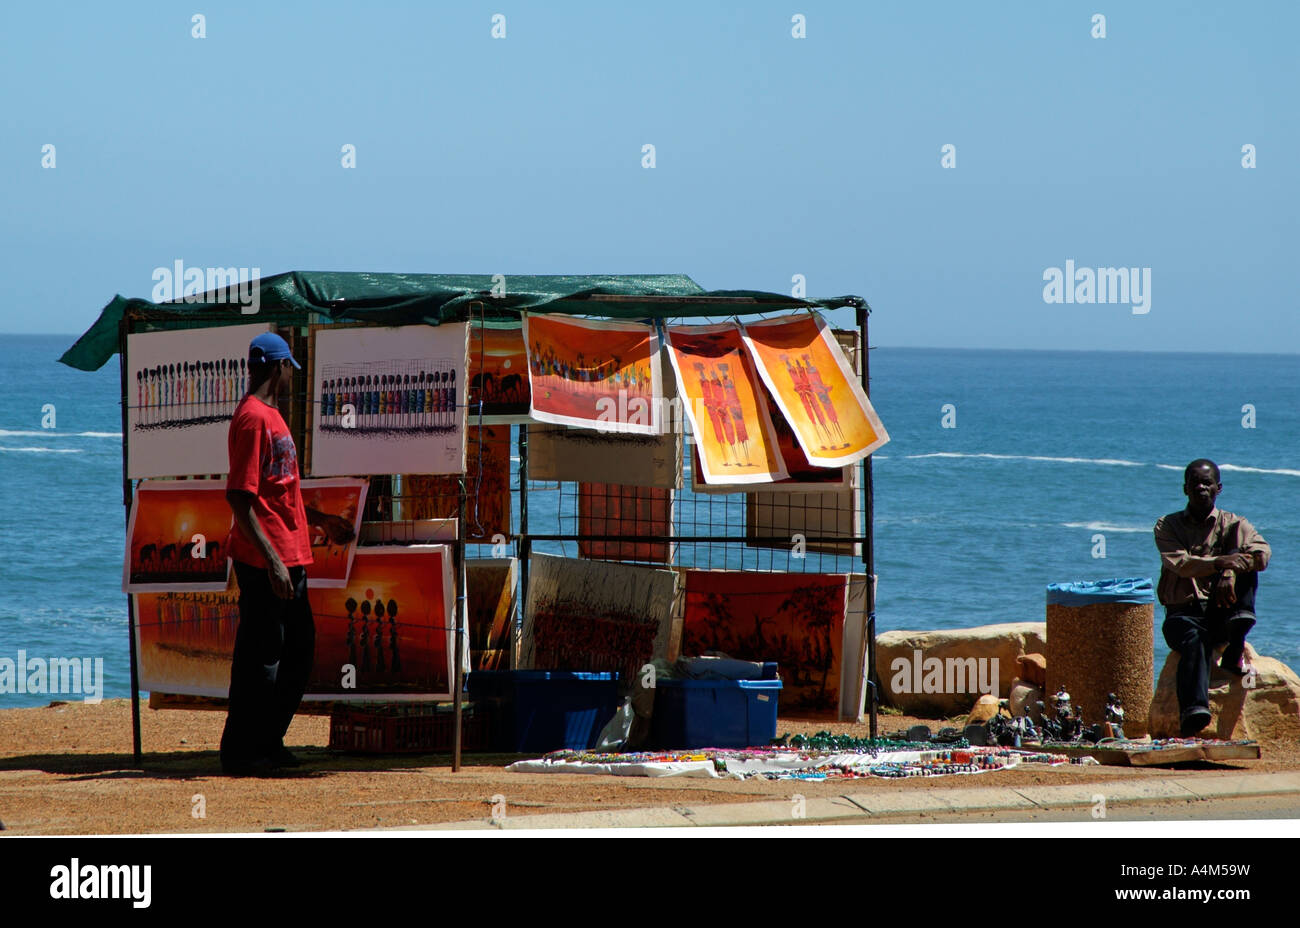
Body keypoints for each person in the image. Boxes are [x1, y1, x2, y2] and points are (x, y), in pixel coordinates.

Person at [220, 332, 355, 775]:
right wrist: (273, 561)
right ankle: (245, 751)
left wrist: (320, 521)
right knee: (265, 654)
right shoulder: (254, 419)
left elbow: (280, 494)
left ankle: (266, 740)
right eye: (288, 369)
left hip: (287, 553)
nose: (289, 377)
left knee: (294, 650)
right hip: (268, 559)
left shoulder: (269, 417)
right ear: (278, 367)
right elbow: (241, 498)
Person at [1154, 459, 1270, 737]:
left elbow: (1261, 555)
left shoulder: (1235, 523)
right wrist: (1221, 562)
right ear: (1185, 488)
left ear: (1218, 488)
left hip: (1221, 611)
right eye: (1195, 482)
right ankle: (1194, 711)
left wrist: (1230, 569)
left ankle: (1237, 635)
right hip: (1182, 614)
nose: (1201, 487)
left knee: (1247, 570)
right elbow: (1181, 564)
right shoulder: (1167, 526)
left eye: (1207, 483)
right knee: (1196, 640)